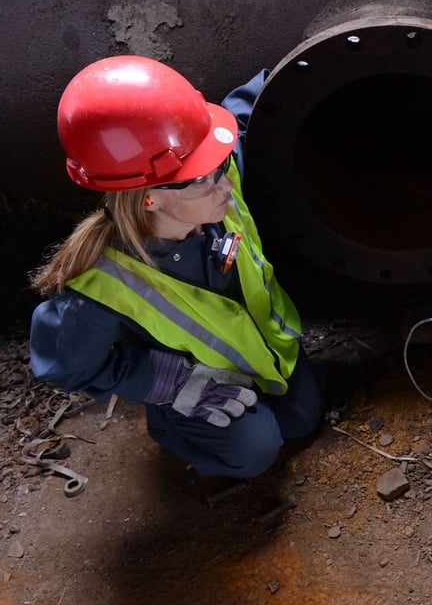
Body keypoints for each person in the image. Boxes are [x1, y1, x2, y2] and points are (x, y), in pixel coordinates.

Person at [29, 55, 327, 479]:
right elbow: (66, 365)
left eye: (218, 164)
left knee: (301, 418)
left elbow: (255, 103)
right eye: (203, 177)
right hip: (201, 385)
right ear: (148, 196)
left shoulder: (214, 182)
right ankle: (174, 428)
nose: (225, 182)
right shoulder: (101, 286)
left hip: (267, 356)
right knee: (256, 449)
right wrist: (163, 382)